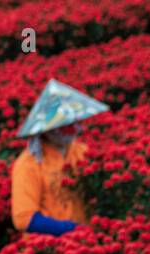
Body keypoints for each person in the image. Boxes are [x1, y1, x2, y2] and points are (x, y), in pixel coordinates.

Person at [11, 79, 109, 237]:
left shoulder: (81, 151)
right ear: (47, 129)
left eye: (76, 122)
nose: (76, 129)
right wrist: (69, 229)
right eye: (66, 125)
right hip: (48, 247)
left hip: (86, 240)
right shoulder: (29, 164)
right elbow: (23, 218)